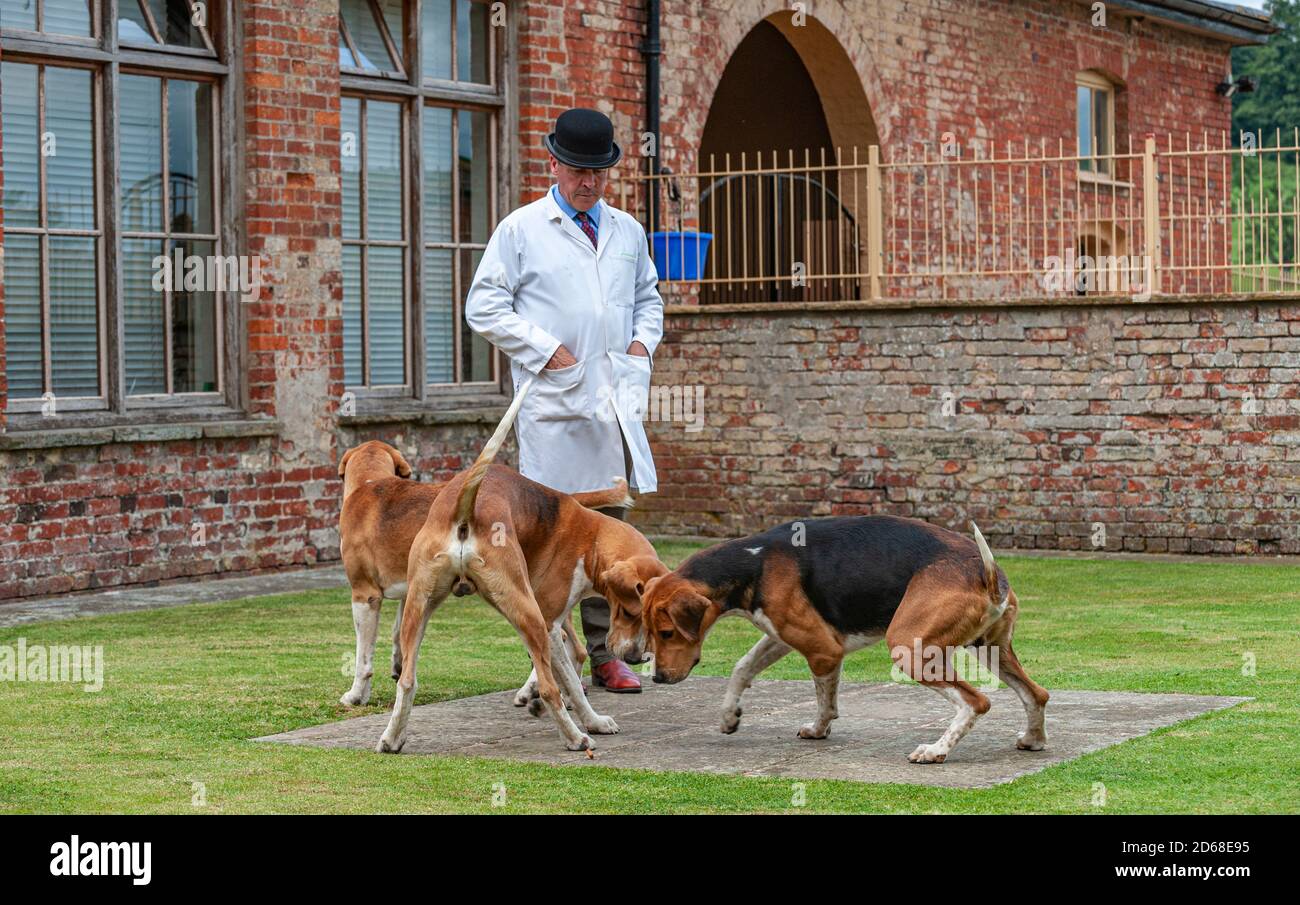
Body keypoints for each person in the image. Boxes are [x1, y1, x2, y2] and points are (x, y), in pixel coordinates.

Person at [465, 107, 664, 692]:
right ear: (553, 163)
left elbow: (649, 299)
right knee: (553, 539)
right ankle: (548, 655)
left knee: (612, 531)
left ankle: (607, 654)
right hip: (554, 407)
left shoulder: (627, 231)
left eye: (598, 172)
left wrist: (638, 343)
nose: (588, 182)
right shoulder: (522, 230)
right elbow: (483, 306)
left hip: (610, 407)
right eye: (577, 170)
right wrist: (545, 348)